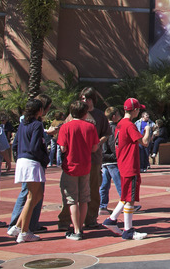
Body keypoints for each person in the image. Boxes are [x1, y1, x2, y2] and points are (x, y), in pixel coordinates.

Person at [57, 87, 111, 231]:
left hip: (93, 159)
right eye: (82, 98)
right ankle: (65, 220)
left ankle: (90, 218)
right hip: (73, 160)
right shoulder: (72, 116)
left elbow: (106, 133)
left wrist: (98, 143)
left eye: (87, 98)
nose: (84, 101)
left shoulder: (99, 116)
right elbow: (65, 133)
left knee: (92, 190)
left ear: (93, 99)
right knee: (69, 193)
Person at [102, 98, 151, 240]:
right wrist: (147, 129)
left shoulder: (120, 124)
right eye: (138, 109)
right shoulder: (129, 125)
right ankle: (128, 230)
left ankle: (111, 219)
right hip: (130, 165)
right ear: (135, 110)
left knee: (125, 196)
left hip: (123, 164)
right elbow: (145, 142)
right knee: (130, 198)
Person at [7, 94, 52, 240]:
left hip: (23, 160)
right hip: (32, 162)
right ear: (39, 110)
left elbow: (16, 144)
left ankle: (18, 226)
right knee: (32, 197)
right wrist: (44, 158)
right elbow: (35, 146)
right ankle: (24, 232)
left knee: (36, 196)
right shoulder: (37, 125)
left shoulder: (22, 124)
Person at [58, 100, 100, 240]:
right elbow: (95, 148)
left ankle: (76, 230)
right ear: (85, 112)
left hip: (70, 166)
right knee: (84, 198)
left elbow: (63, 148)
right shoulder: (90, 127)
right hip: (85, 165)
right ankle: (80, 227)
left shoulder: (66, 127)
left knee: (71, 199)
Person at [99, 107, 123, 213]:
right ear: (114, 116)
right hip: (112, 160)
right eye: (118, 114)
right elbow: (114, 144)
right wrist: (117, 155)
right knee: (120, 183)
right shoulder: (113, 128)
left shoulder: (103, 127)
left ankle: (102, 205)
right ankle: (126, 203)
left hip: (104, 159)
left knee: (104, 184)